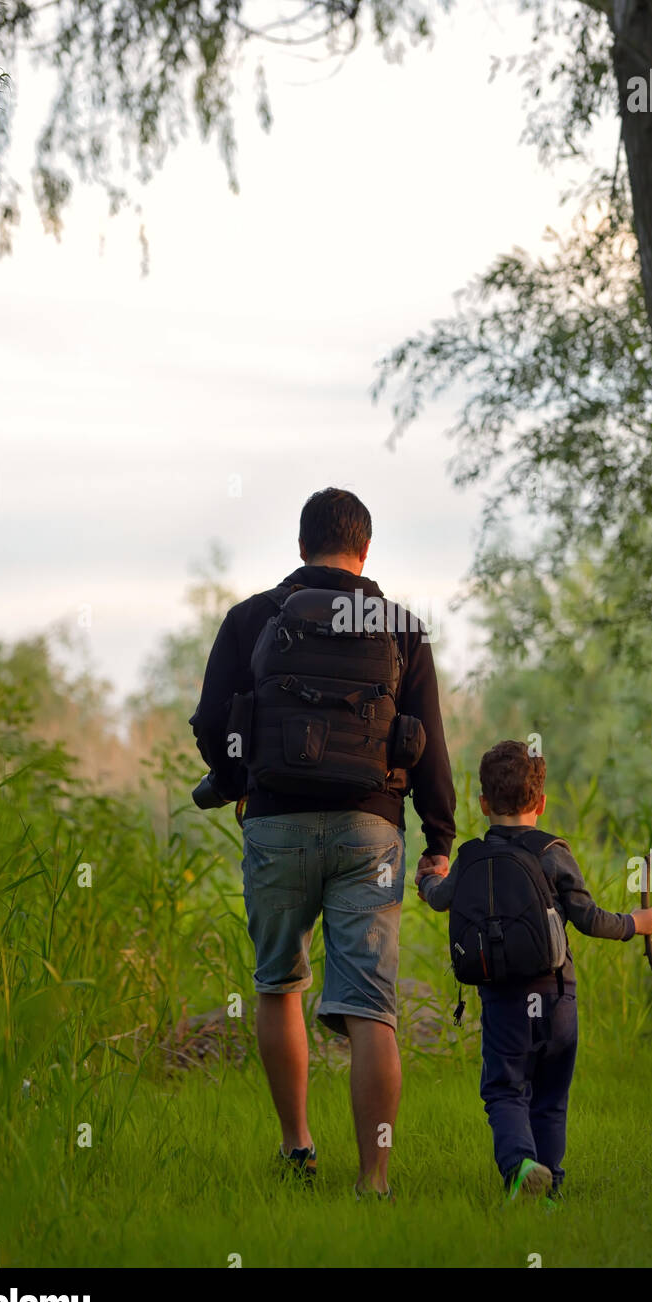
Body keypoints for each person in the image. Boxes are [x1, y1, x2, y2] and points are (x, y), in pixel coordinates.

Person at [190, 487, 455, 1197]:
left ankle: (297, 1148)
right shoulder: (401, 627)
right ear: (365, 550)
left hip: (275, 821)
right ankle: (374, 1180)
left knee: (278, 985)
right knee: (370, 1005)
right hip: (371, 829)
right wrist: (439, 835)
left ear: (302, 546)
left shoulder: (252, 617)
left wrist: (235, 780)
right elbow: (428, 743)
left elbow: (211, 721)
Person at [416, 739, 652, 1203]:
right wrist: (635, 923)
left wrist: (426, 879)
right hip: (558, 996)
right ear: (541, 803)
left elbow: (440, 898)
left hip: (504, 1001)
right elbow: (588, 919)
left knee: (506, 1091)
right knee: (550, 1099)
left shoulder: (470, 857)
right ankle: (551, 1193)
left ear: (483, 803)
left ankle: (520, 1165)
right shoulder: (553, 852)